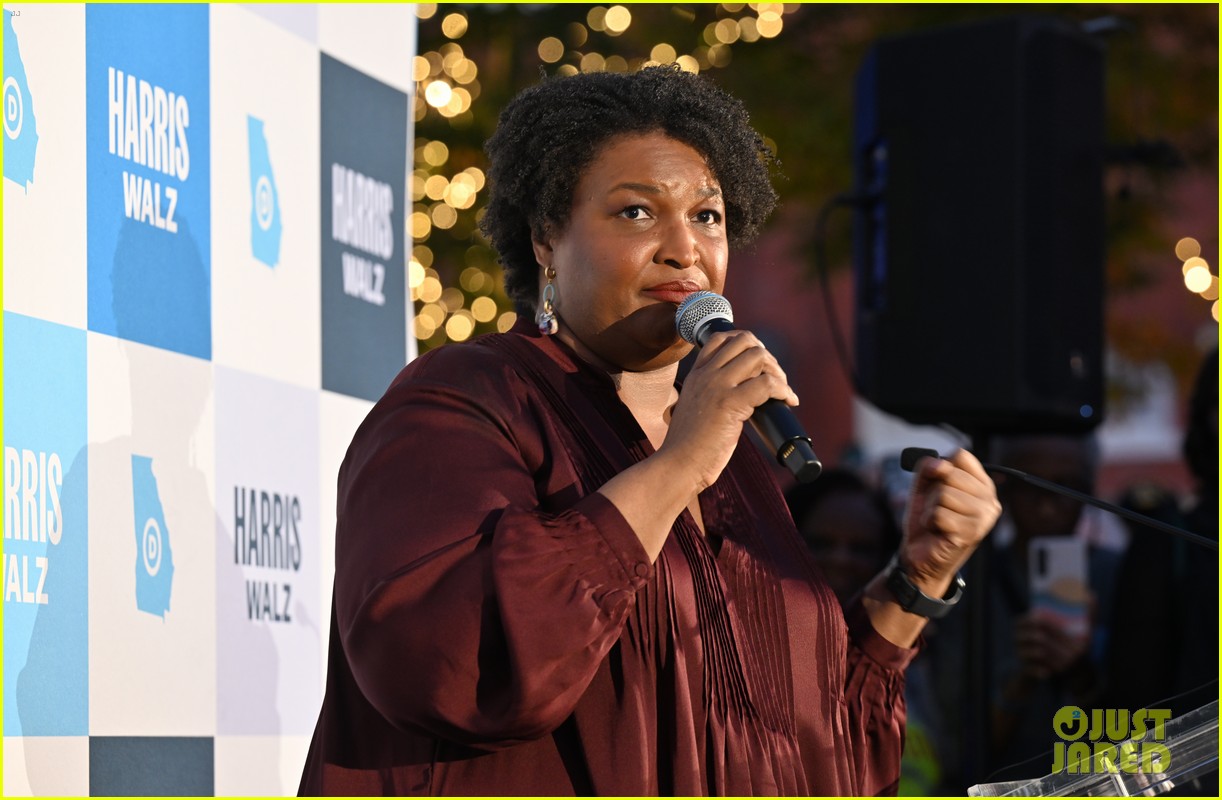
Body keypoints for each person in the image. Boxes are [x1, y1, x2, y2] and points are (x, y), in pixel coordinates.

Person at [298, 65, 1000, 796]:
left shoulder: (732, 455)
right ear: (545, 238)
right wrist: (676, 467)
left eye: (708, 216)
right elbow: (441, 660)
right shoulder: (466, 400)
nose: (684, 248)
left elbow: (811, 749)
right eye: (637, 213)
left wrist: (919, 575)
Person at [928, 432, 1122, 787]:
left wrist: (1082, 675)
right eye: (1031, 484)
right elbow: (952, 741)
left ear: (1089, 490)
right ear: (1004, 491)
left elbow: (1149, 727)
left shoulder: (1123, 577)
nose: (1048, 503)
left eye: (1067, 485)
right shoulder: (966, 585)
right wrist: (1020, 679)